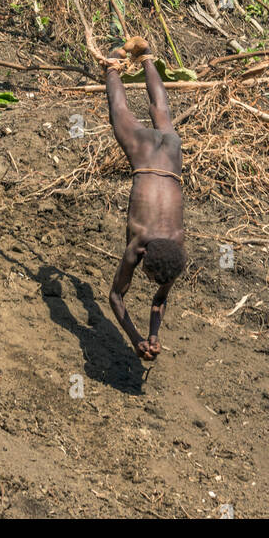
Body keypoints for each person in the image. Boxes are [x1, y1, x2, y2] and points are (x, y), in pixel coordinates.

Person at [102, 36, 186, 362]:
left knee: (161, 111)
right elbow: (114, 296)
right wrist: (136, 337)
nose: (151, 282)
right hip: (146, 158)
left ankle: (147, 57)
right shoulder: (139, 242)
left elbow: (159, 299)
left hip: (171, 152)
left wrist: (153, 334)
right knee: (119, 112)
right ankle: (112, 63)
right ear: (144, 256)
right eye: (149, 277)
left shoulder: (176, 247)